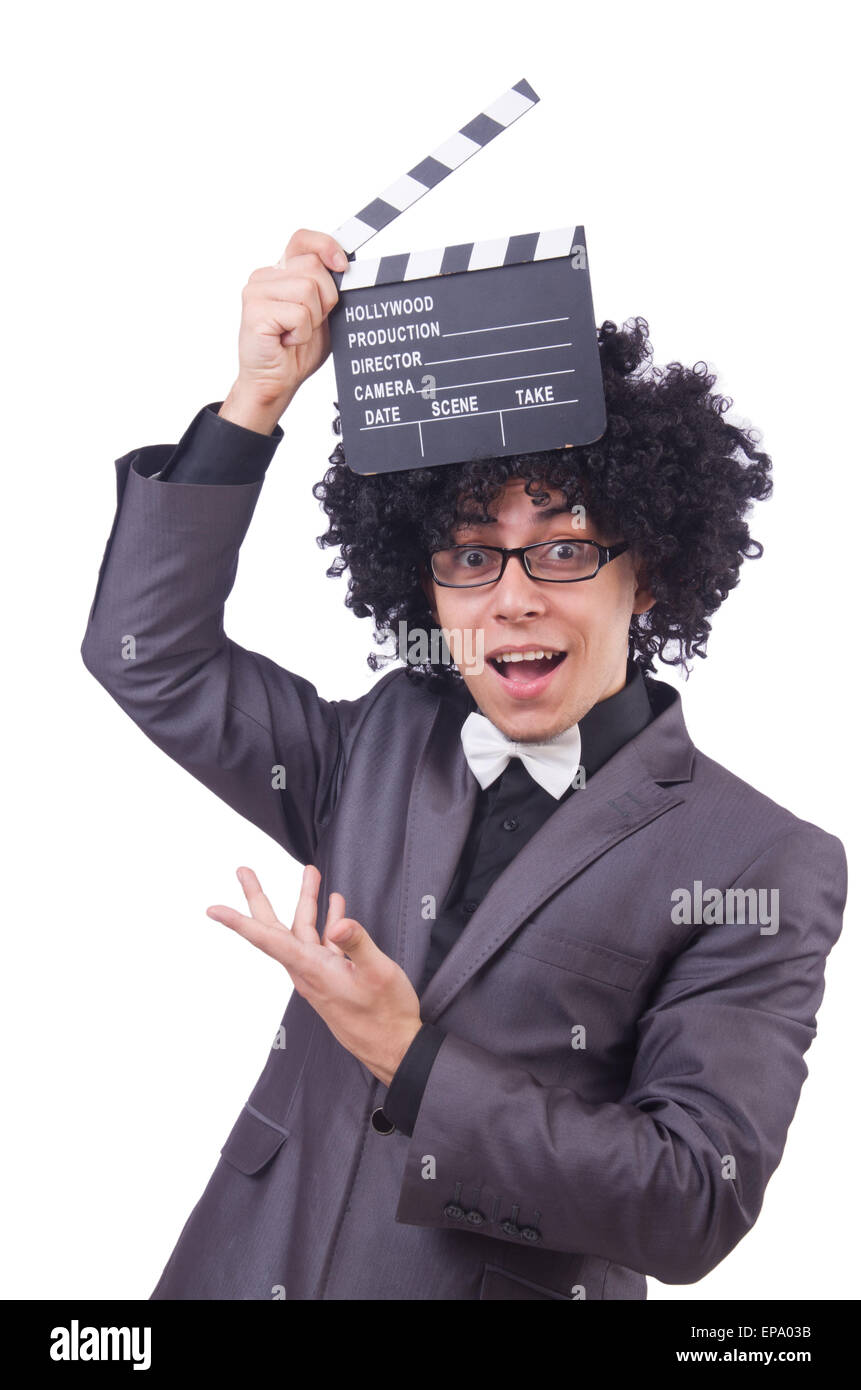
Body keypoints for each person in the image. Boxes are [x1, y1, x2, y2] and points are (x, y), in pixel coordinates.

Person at [80, 228, 848, 1301]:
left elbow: (691, 1201)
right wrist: (254, 401)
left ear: (655, 572)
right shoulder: (381, 739)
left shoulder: (763, 860)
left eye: (568, 548)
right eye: (473, 553)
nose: (515, 595)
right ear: (429, 584)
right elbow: (148, 655)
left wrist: (413, 1055)